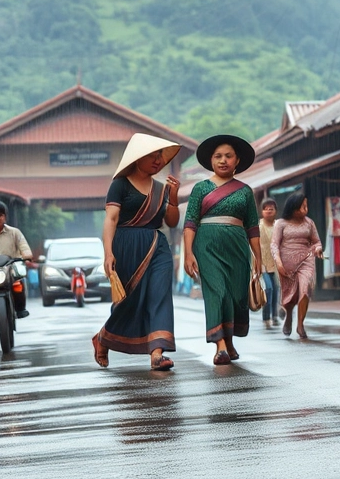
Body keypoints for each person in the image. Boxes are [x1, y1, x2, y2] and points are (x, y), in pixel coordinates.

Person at [93, 134, 183, 370]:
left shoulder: (161, 188)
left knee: (160, 294)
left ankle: (157, 353)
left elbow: (172, 222)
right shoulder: (120, 184)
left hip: (156, 246)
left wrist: (173, 198)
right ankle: (103, 337)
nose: (158, 160)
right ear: (137, 158)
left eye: (160, 156)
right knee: (128, 300)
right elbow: (111, 219)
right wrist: (108, 253)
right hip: (125, 245)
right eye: (152, 156)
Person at [183, 134, 262, 366]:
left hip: (237, 246)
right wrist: (188, 252)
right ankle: (220, 347)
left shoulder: (246, 191)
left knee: (236, 294)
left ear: (237, 161)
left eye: (229, 156)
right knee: (218, 292)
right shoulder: (200, 188)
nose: (223, 160)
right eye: (218, 156)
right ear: (211, 160)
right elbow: (190, 223)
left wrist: (258, 256)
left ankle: (229, 341)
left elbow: (252, 227)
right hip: (207, 245)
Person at [271, 191, 321, 340]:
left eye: (306, 205)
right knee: (290, 295)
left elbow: (316, 241)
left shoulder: (309, 223)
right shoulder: (281, 223)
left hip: (307, 259)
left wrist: (318, 248)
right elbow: (274, 244)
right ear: (294, 207)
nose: (306, 209)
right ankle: (288, 317)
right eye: (302, 206)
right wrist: (279, 263)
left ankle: (300, 325)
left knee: (305, 289)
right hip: (286, 263)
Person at [257, 197, 280, 328]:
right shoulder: (259, 227)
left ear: (275, 211)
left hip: (276, 264)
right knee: (268, 289)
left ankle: (275, 316)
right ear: (262, 212)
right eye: (265, 209)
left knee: (276, 289)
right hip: (263, 264)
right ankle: (266, 318)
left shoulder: (278, 226)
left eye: (271, 209)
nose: (268, 211)